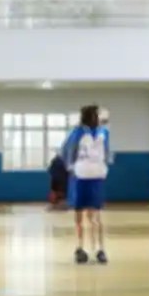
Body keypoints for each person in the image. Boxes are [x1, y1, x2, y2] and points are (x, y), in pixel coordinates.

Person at [62, 105, 110, 264]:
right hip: (81, 175)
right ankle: (81, 248)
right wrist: (71, 166)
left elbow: (108, 152)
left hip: (94, 175)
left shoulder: (103, 132)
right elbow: (66, 150)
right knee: (83, 215)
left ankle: (99, 249)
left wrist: (104, 166)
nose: (98, 117)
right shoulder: (77, 133)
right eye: (96, 115)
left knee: (93, 215)